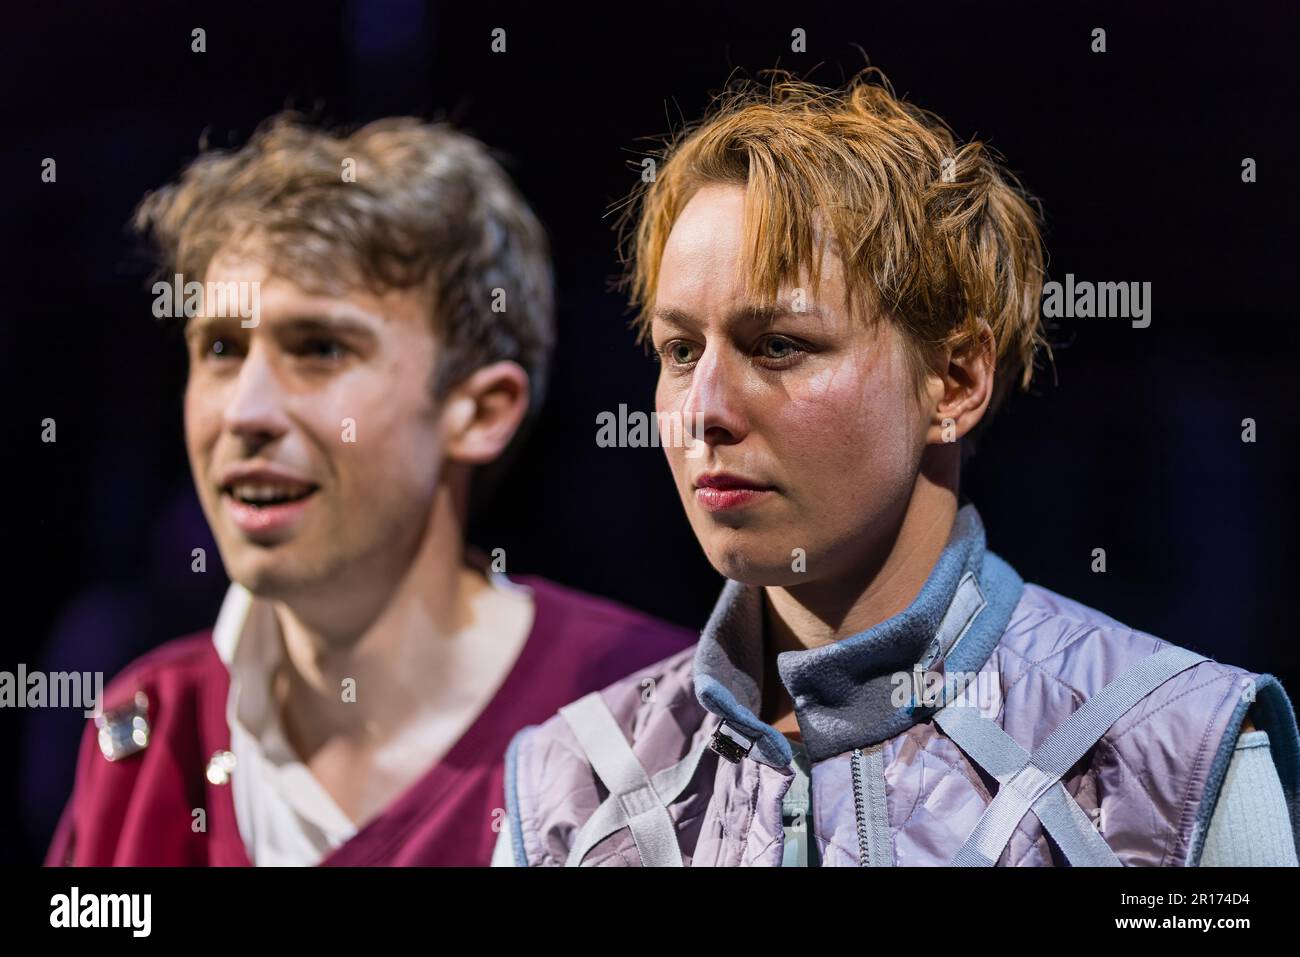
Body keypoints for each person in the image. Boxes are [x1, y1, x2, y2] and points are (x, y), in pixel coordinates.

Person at [494, 69, 1300, 867]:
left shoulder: (1174, 751)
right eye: (679, 350)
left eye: (777, 344)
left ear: (954, 381)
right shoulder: (573, 782)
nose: (702, 409)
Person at [47, 113, 695, 866]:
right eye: (221, 348)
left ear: (481, 411)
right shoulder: (148, 731)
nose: (245, 411)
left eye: (319, 348)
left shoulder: (652, 722)